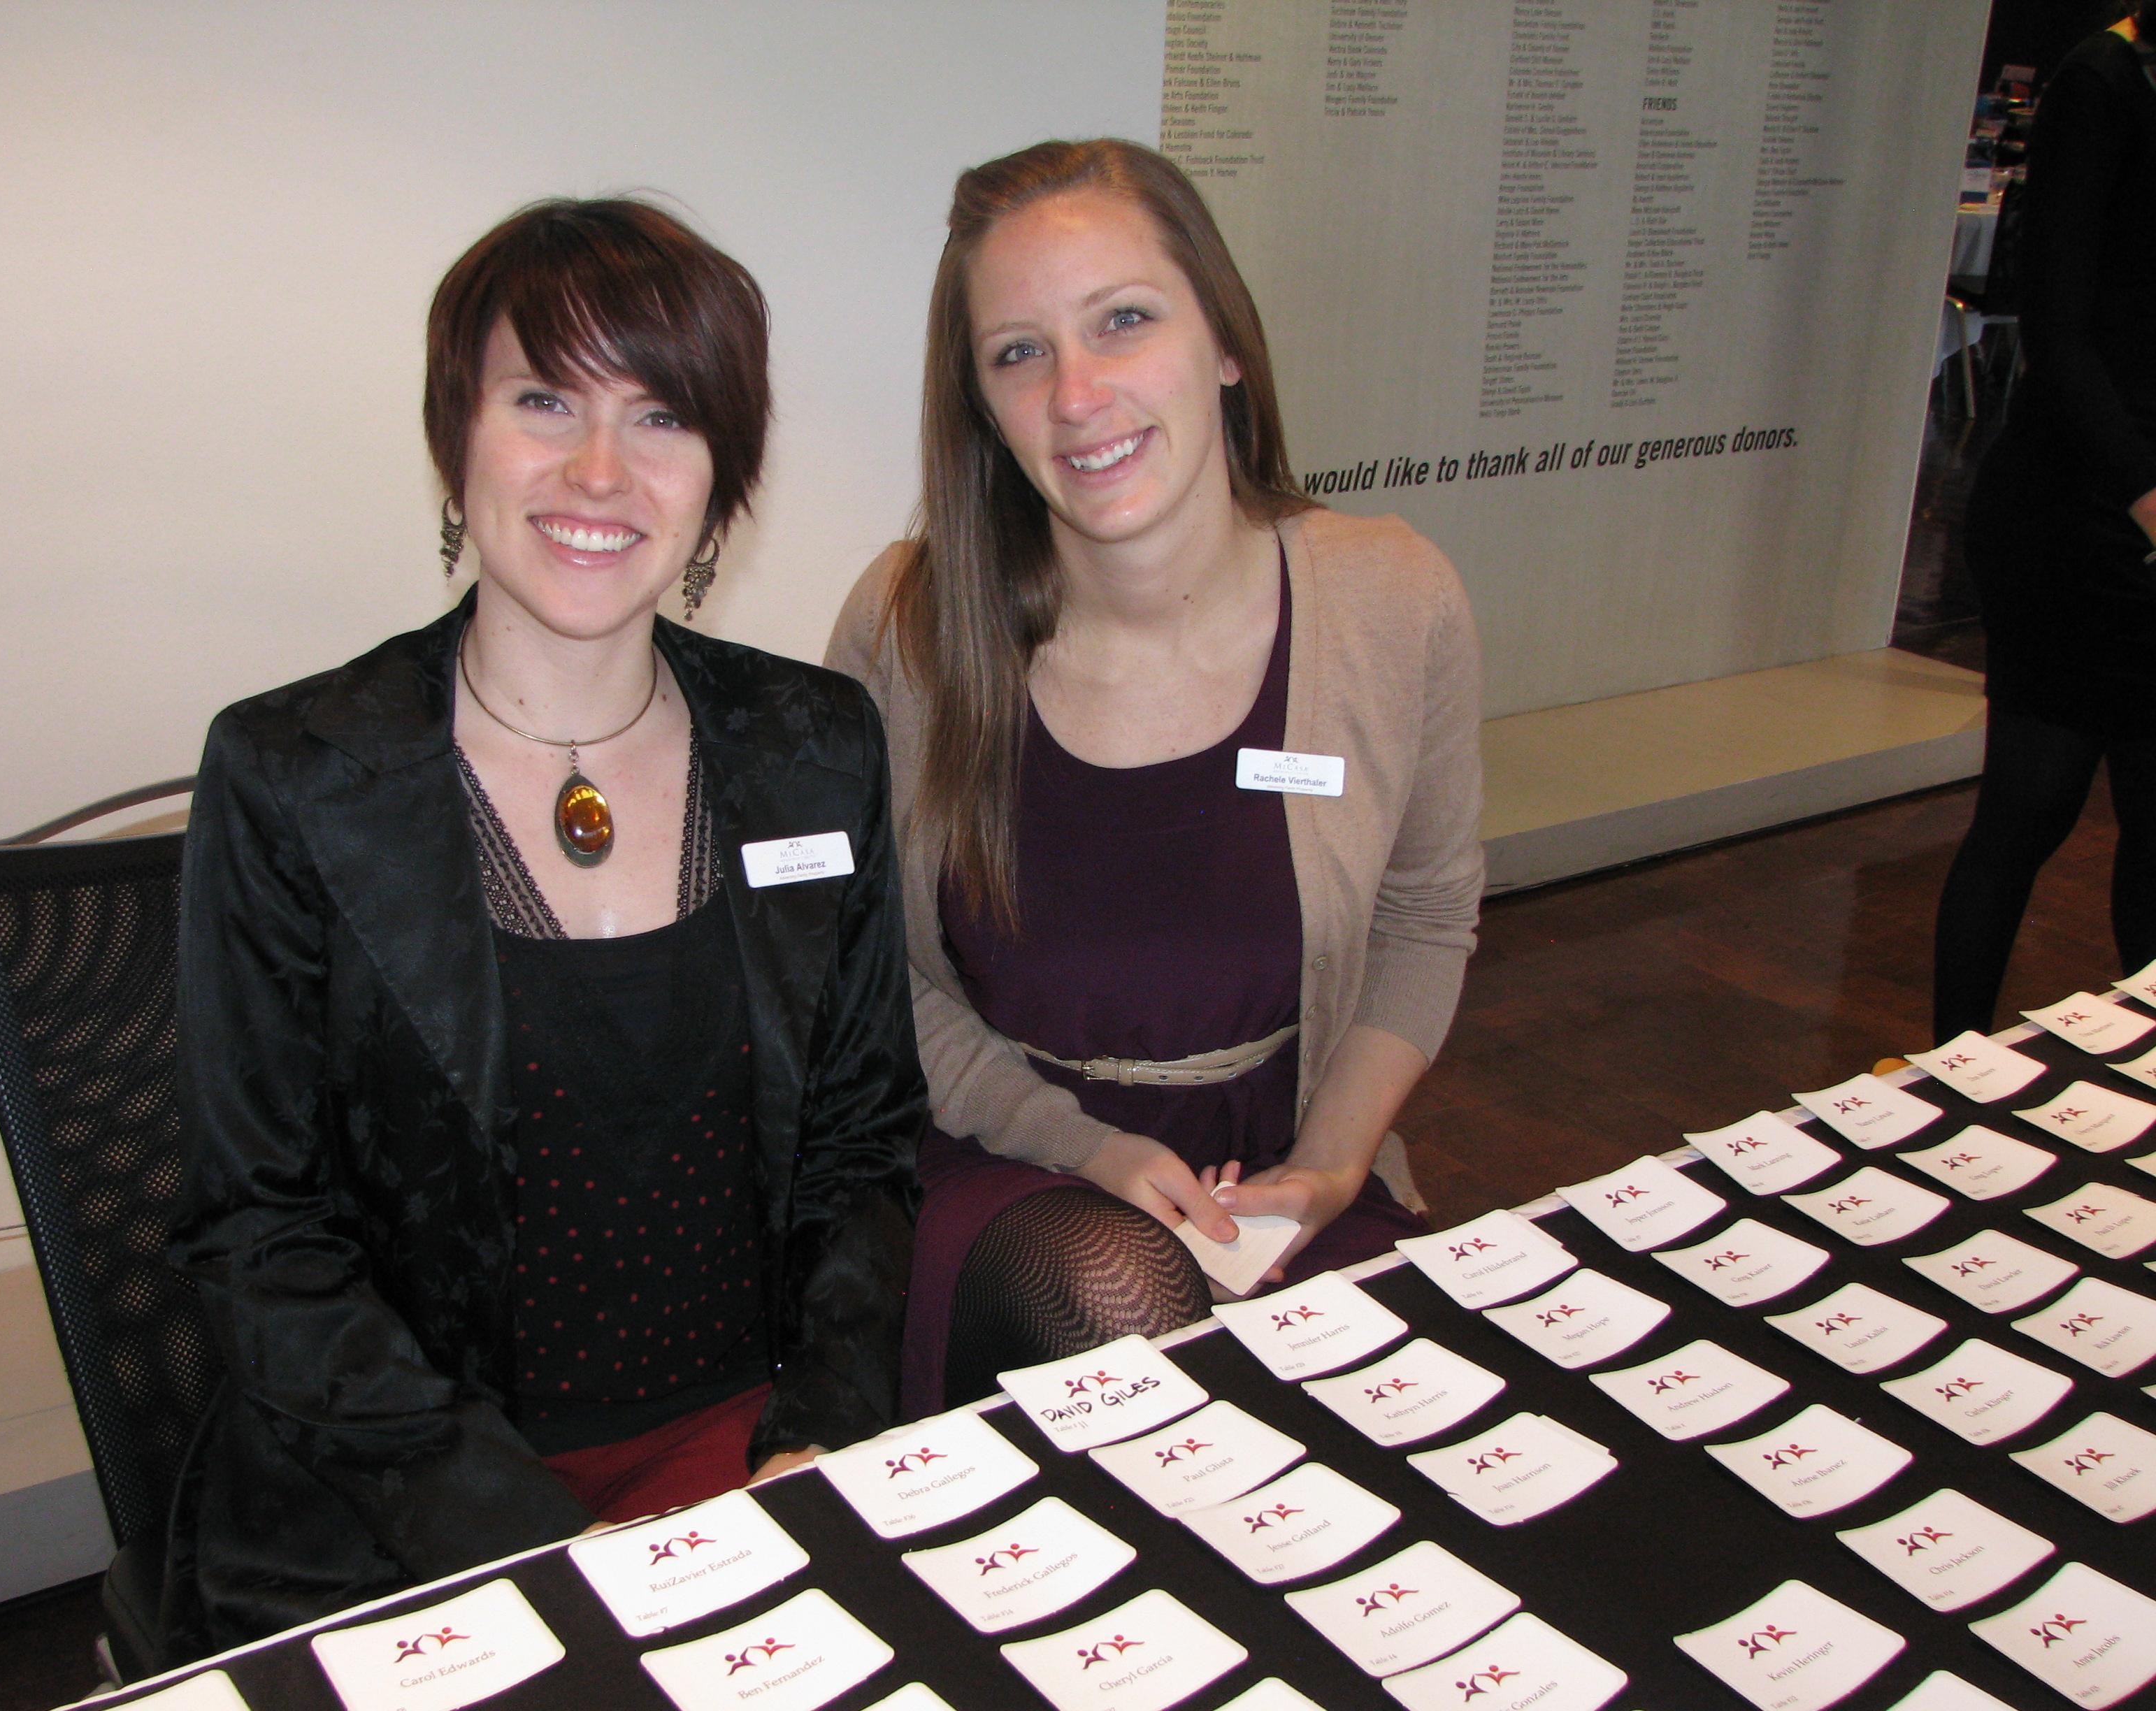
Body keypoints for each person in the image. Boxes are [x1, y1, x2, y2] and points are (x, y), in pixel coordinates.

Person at [168, 198, 926, 1654]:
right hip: (419, 1505)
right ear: (458, 436)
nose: (599, 470)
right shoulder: (296, 779)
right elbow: (260, 1235)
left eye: (661, 417)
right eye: (543, 400)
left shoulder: (813, 744)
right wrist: (538, 1540)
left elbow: (861, 1135)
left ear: (724, 475)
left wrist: (821, 1431)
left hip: (758, 1454)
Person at [826, 140, 1482, 1416]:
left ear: (1225, 343)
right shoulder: (908, 629)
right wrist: (1085, 1146)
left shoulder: (1395, 600)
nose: (1078, 394)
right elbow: (873, 976)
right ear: (980, 404)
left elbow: (1424, 914)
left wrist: (1336, 1166)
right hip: (1003, 1156)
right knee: (1118, 1305)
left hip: (1291, 1159)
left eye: (1122, 321)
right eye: (1020, 353)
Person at [1933, 4, 2156, 1040]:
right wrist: (2145, 491)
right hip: (2073, 517)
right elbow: (2059, 330)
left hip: (2138, 510)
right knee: (2029, 808)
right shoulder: (2101, 84)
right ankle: (1950, 1070)